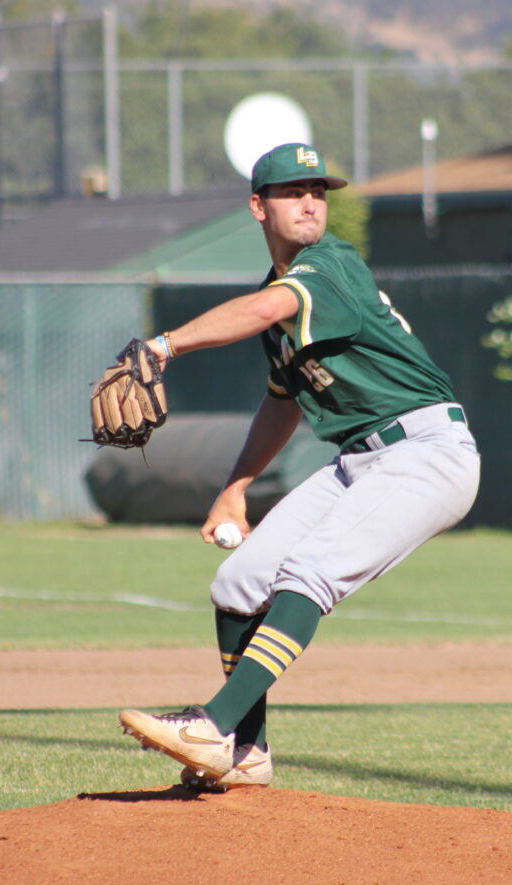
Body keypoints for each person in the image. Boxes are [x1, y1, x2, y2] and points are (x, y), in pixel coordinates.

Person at [119, 142, 481, 790]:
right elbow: (282, 400)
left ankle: (212, 725)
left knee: (308, 572)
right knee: (237, 585)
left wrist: (163, 346)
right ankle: (246, 752)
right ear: (258, 207)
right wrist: (235, 489)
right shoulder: (280, 300)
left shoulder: (328, 264)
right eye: (292, 192)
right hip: (359, 461)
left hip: (425, 450)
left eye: (317, 191)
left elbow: (264, 309)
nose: (310, 202)